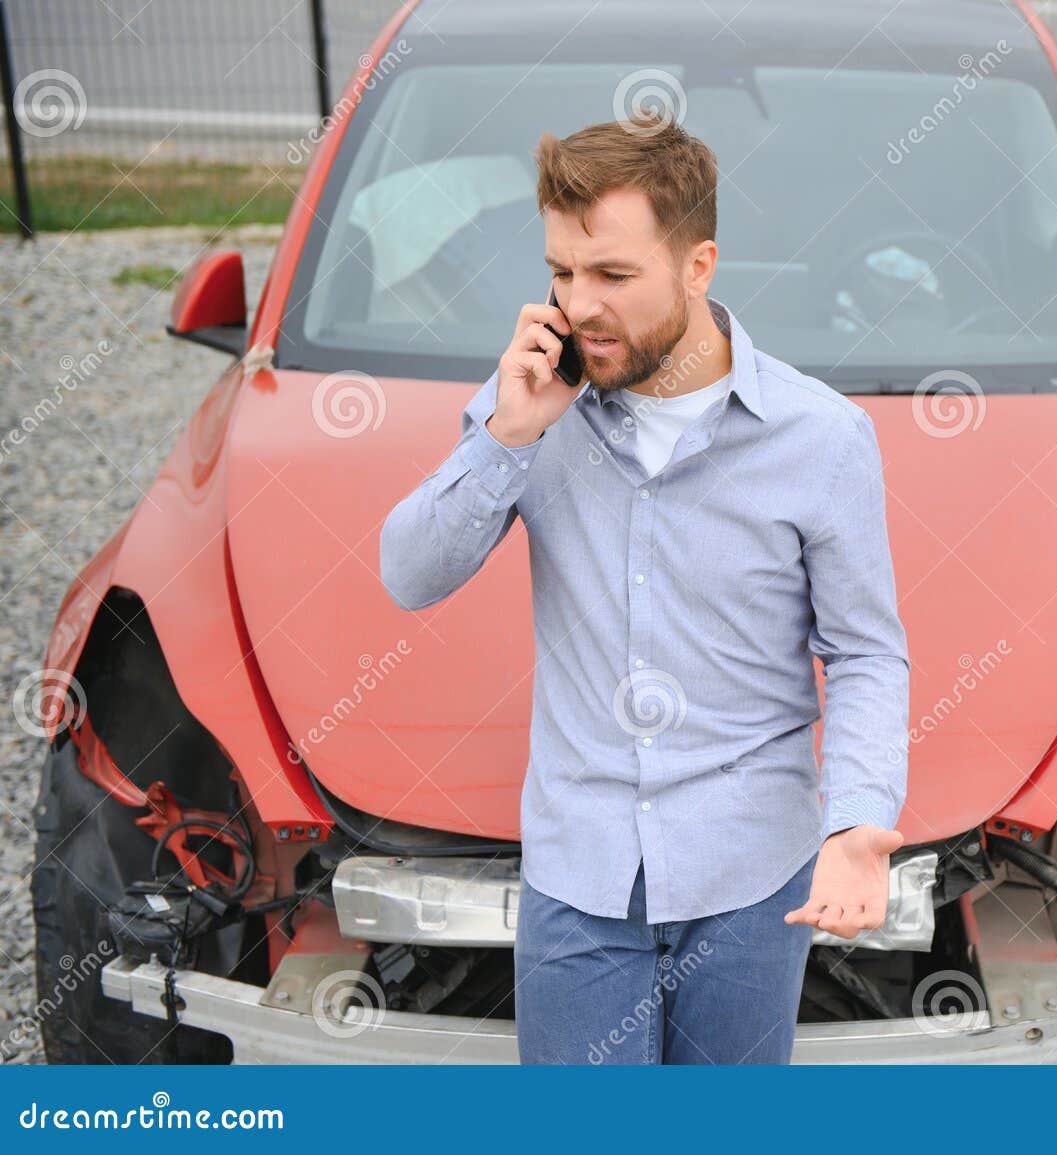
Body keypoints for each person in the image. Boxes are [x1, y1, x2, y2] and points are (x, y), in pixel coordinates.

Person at [378, 108, 911, 1064]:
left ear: (698, 266)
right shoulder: (532, 401)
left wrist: (860, 821)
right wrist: (506, 438)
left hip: (752, 882)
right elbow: (409, 576)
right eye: (562, 273)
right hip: (580, 882)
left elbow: (866, 651)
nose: (580, 306)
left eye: (614, 276)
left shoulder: (821, 438)